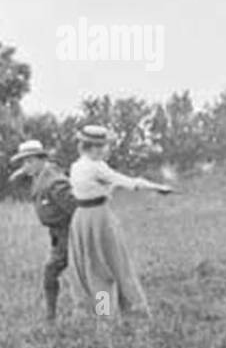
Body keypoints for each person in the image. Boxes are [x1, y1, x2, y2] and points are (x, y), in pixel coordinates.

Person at [66, 124, 173, 319]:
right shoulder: (96, 167)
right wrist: (158, 187)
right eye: (104, 146)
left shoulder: (77, 165)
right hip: (98, 218)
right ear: (94, 147)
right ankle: (113, 314)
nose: (107, 150)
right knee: (107, 268)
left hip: (81, 218)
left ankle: (95, 312)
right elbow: (129, 182)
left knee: (90, 268)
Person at [9, 139, 77, 322]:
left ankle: (103, 312)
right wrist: (24, 170)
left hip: (70, 233)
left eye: (29, 161)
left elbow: (76, 209)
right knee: (55, 273)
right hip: (57, 234)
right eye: (23, 162)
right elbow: (14, 179)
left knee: (89, 275)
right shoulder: (41, 174)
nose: (26, 166)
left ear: (41, 159)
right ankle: (51, 316)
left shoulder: (54, 182)